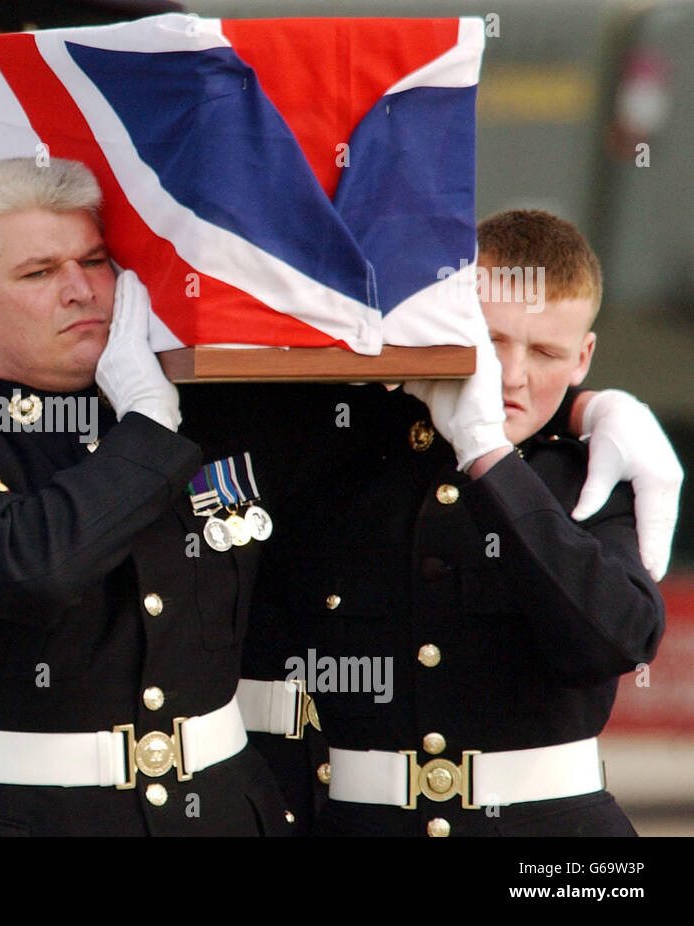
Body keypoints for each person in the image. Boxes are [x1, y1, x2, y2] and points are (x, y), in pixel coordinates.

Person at [0, 157, 291, 836]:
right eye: (39, 272)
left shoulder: (207, 415)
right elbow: (37, 564)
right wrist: (147, 423)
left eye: (94, 261)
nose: (81, 290)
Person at [227, 209, 666, 836]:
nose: (513, 377)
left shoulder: (589, 474)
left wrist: (490, 456)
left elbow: (615, 641)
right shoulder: (350, 455)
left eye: (546, 352)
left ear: (583, 358)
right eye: (491, 342)